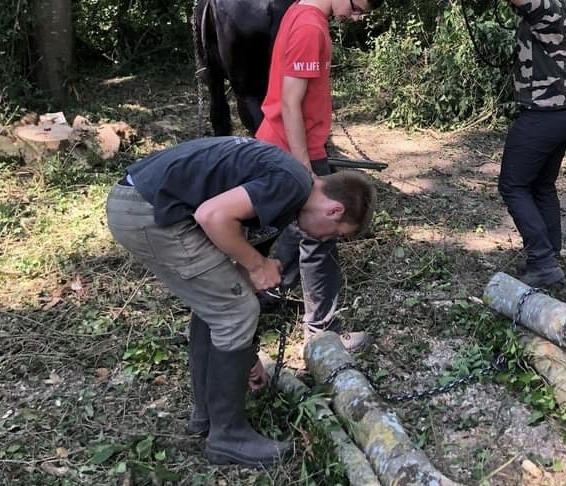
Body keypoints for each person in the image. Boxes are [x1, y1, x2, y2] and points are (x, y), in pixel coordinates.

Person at [105, 136, 377, 467]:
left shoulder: (289, 194)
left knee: (220, 306)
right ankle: (228, 437)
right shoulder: (291, 184)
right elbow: (212, 216)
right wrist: (258, 265)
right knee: (236, 311)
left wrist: (245, 356)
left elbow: (228, 271)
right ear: (334, 209)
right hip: (145, 209)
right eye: (334, 233)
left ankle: (206, 415)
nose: (324, 239)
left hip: (138, 200)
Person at [441, 0, 566, 288]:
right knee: (542, 186)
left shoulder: (540, 5)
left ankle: (542, 262)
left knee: (513, 185)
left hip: (542, 116)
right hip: (563, 114)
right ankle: (549, 253)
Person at [255, 0, 386, 352]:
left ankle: (269, 294)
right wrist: (305, 169)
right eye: (357, 8)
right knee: (322, 235)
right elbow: (291, 103)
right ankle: (322, 334)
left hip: (291, 144)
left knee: (295, 228)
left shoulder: (301, 10)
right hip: (293, 148)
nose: (357, 17)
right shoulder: (311, 27)